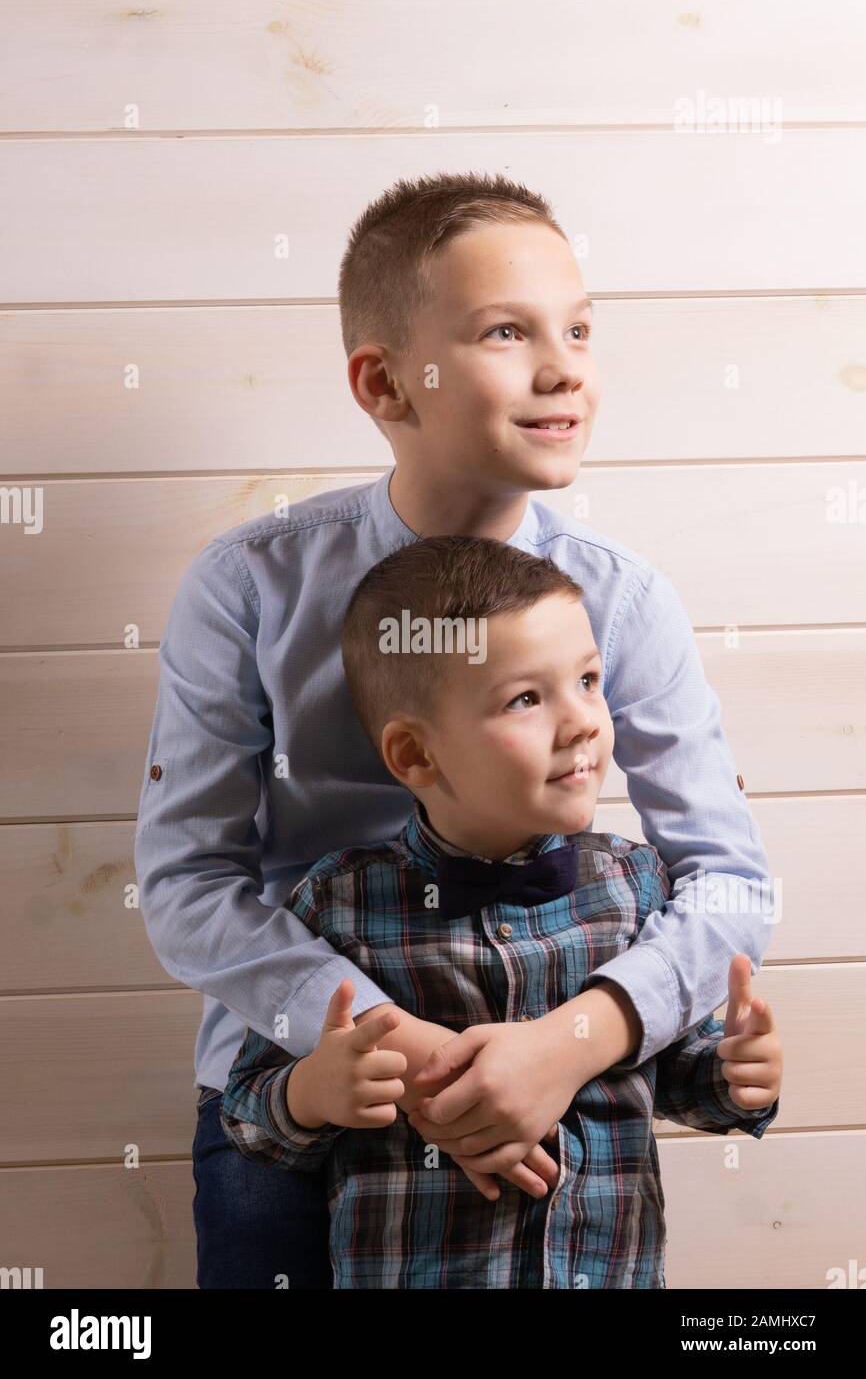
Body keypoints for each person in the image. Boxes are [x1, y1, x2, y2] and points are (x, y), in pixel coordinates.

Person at [133, 171, 777, 1289]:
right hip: (293, 1100)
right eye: (504, 331)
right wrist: (424, 1060)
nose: (565, 363)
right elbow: (187, 883)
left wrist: (565, 1044)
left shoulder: (624, 601)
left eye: (577, 328)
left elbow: (727, 880)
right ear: (386, 382)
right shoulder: (248, 587)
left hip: (554, 1108)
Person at [220, 535, 782, 1289]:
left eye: (588, 680)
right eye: (526, 697)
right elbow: (248, 1115)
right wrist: (317, 1092)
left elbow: (673, 1074)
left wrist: (737, 1077)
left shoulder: (637, 887)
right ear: (416, 756)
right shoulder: (338, 906)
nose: (583, 720)